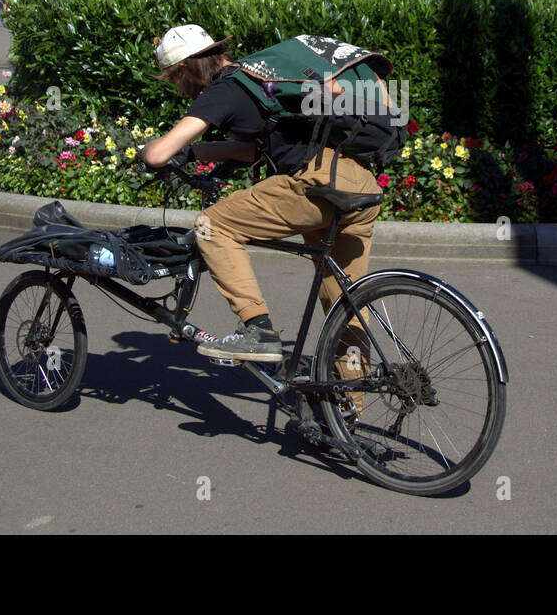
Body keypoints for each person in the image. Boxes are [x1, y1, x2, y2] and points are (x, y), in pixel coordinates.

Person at [141, 25, 382, 363]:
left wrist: (148, 152)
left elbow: (158, 154)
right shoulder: (259, 81)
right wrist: (196, 154)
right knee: (344, 303)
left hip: (316, 184)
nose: (178, 90)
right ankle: (347, 408)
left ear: (183, 69)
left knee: (213, 225)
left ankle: (259, 330)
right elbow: (255, 150)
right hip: (357, 181)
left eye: (173, 80)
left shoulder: (224, 87)